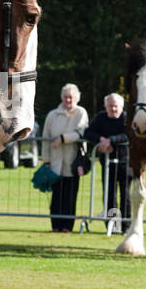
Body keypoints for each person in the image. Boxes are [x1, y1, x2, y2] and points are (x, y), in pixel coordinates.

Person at [41, 83, 88, 232]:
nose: (68, 100)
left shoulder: (81, 112)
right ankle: (55, 225)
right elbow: (45, 138)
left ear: (77, 98)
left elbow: (81, 132)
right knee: (56, 197)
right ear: (62, 98)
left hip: (72, 162)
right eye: (66, 97)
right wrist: (46, 161)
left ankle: (67, 226)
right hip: (55, 162)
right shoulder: (52, 115)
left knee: (70, 196)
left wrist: (63, 138)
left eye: (71, 97)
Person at [84, 93, 130, 230]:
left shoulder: (127, 118)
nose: (113, 109)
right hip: (107, 163)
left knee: (126, 195)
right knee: (109, 195)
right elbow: (88, 133)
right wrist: (101, 140)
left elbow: (129, 135)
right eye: (110, 106)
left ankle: (126, 225)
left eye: (116, 106)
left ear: (121, 106)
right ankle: (112, 225)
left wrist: (112, 141)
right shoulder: (100, 118)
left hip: (125, 162)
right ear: (105, 106)